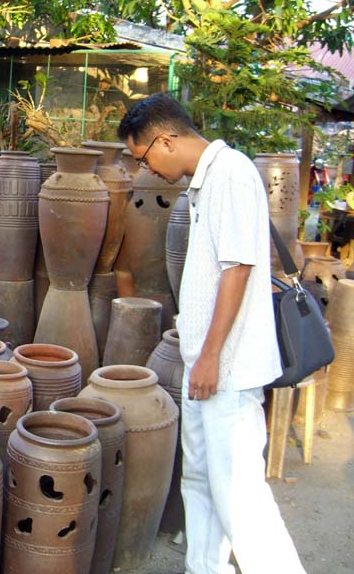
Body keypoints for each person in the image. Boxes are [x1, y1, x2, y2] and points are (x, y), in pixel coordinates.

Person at [117, 93, 306, 574]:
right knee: (200, 482)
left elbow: (237, 269)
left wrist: (210, 357)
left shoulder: (232, 174)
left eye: (144, 157)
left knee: (240, 499)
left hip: (227, 369)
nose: (146, 169)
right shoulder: (204, 182)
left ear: (165, 140)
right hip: (206, 365)